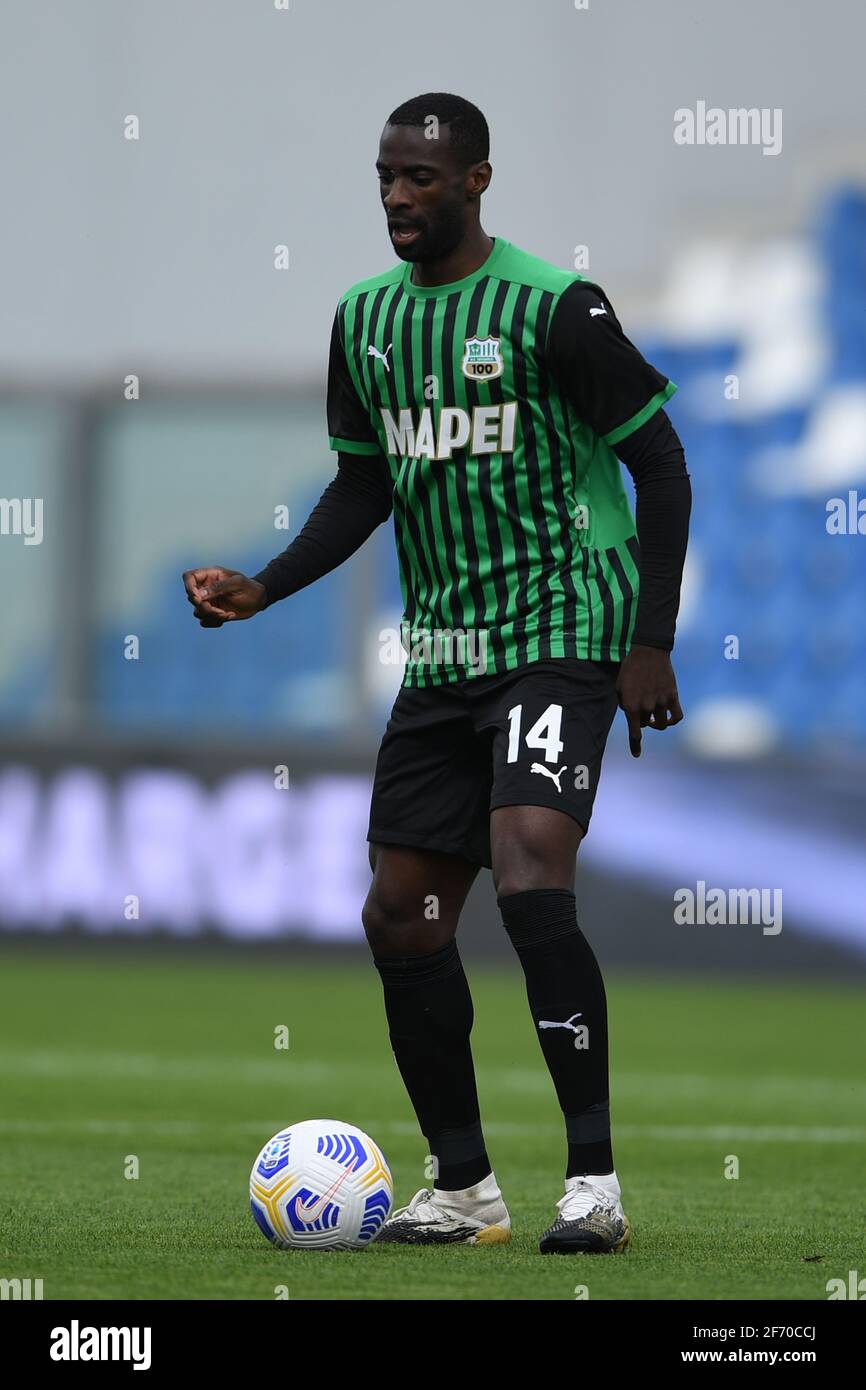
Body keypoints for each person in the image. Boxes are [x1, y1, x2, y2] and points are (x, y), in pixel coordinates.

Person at [182, 92, 691, 1255]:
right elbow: (365, 483)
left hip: (562, 630)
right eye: (385, 178)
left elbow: (659, 463)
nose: (398, 197)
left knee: (525, 877)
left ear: (476, 181)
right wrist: (265, 584)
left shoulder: (555, 307)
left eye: (421, 177)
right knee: (401, 918)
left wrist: (647, 640)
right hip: (445, 653)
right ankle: (463, 1187)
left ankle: (592, 1185)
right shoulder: (363, 320)